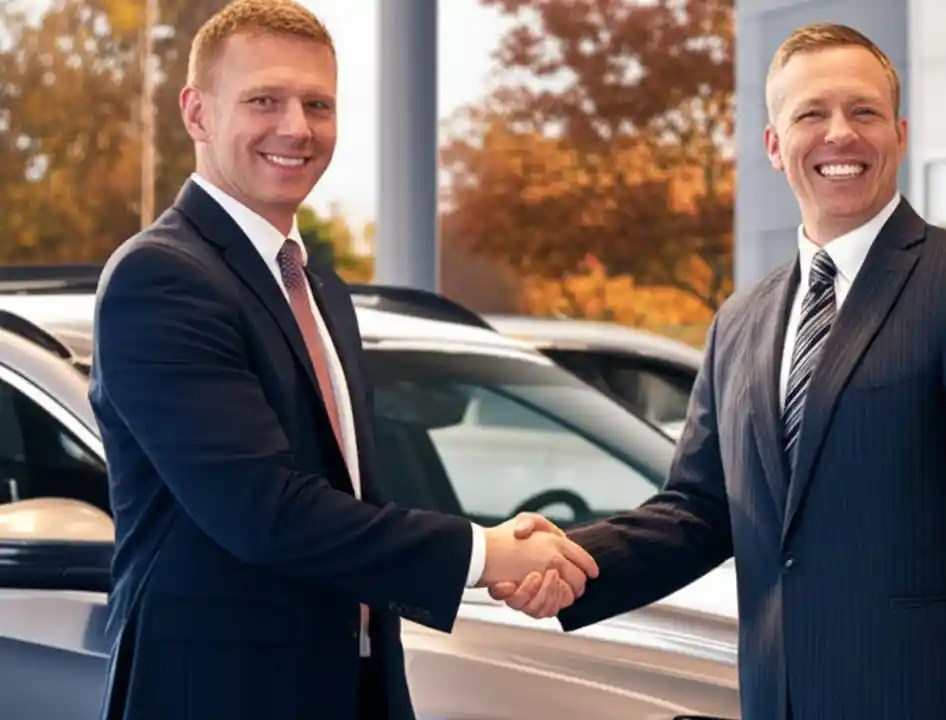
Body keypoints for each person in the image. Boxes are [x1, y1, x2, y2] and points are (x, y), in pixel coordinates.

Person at [492, 22, 946, 719]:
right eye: (811, 113)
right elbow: (699, 511)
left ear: (898, 133)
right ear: (775, 145)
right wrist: (572, 565)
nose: (840, 134)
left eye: (863, 111)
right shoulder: (740, 321)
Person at [89, 2, 594, 719]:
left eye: (318, 104)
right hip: (220, 694)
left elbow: (348, 500)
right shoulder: (162, 279)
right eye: (264, 99)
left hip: (351, 683)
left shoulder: (316, 284)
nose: (296, 127)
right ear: (196, 113)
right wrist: (484, 556)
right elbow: (263, 511)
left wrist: (502, 551)